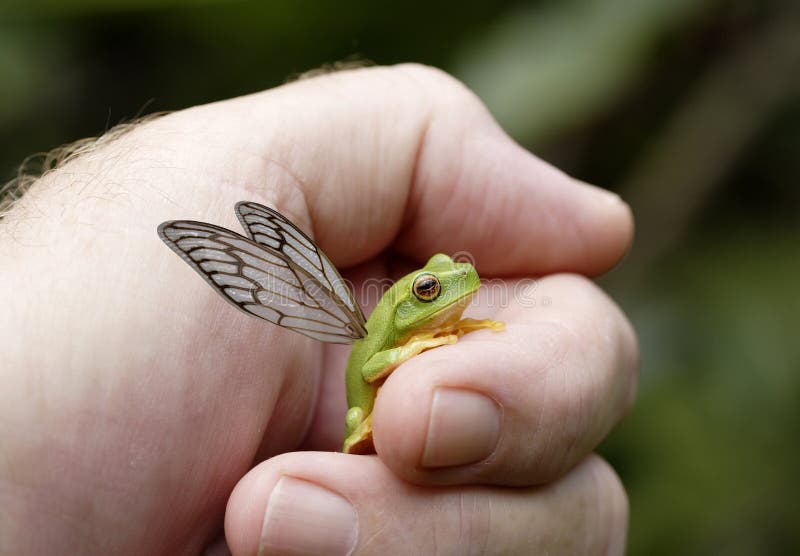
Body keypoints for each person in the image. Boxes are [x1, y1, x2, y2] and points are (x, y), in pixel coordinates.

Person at [0, 64, 637, 555]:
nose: (452, 284)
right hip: (362, 412)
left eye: (449, 279)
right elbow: (382, 360)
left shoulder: (437, 306)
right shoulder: (388, 328)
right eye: (428, 290)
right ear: (411, 304)